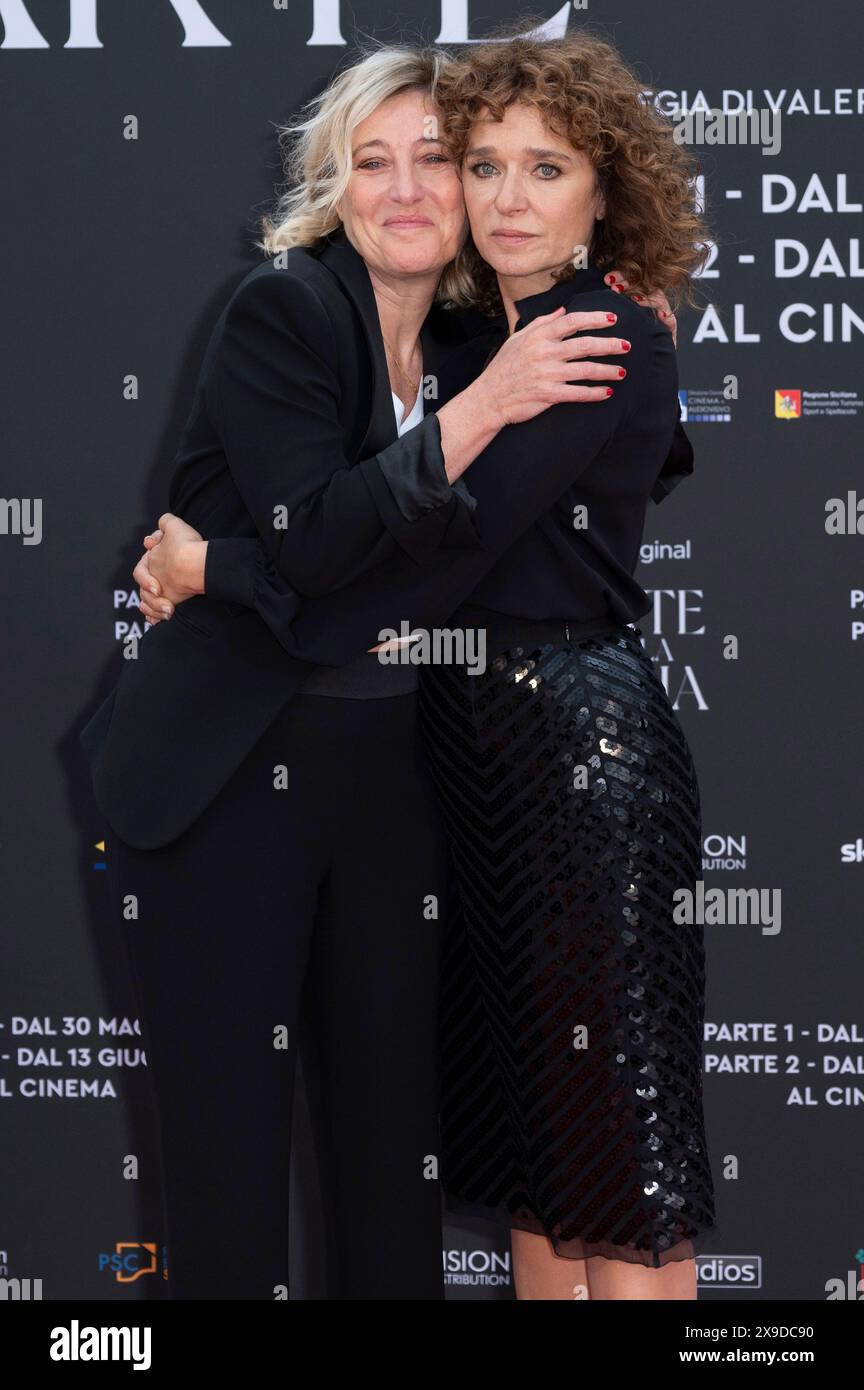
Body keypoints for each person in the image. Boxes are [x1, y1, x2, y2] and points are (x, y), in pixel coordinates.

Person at [134, 33, 716, 1300]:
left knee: (614, 1165)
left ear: (599, 190)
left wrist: (209, 568)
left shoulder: (574, 336)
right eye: (484, 165)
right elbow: (355, 522)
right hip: (459, 782)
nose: (497, 196)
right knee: (538, 1161)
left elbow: (424, 573)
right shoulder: (451, 335)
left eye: (529, 168)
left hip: (578, 768)